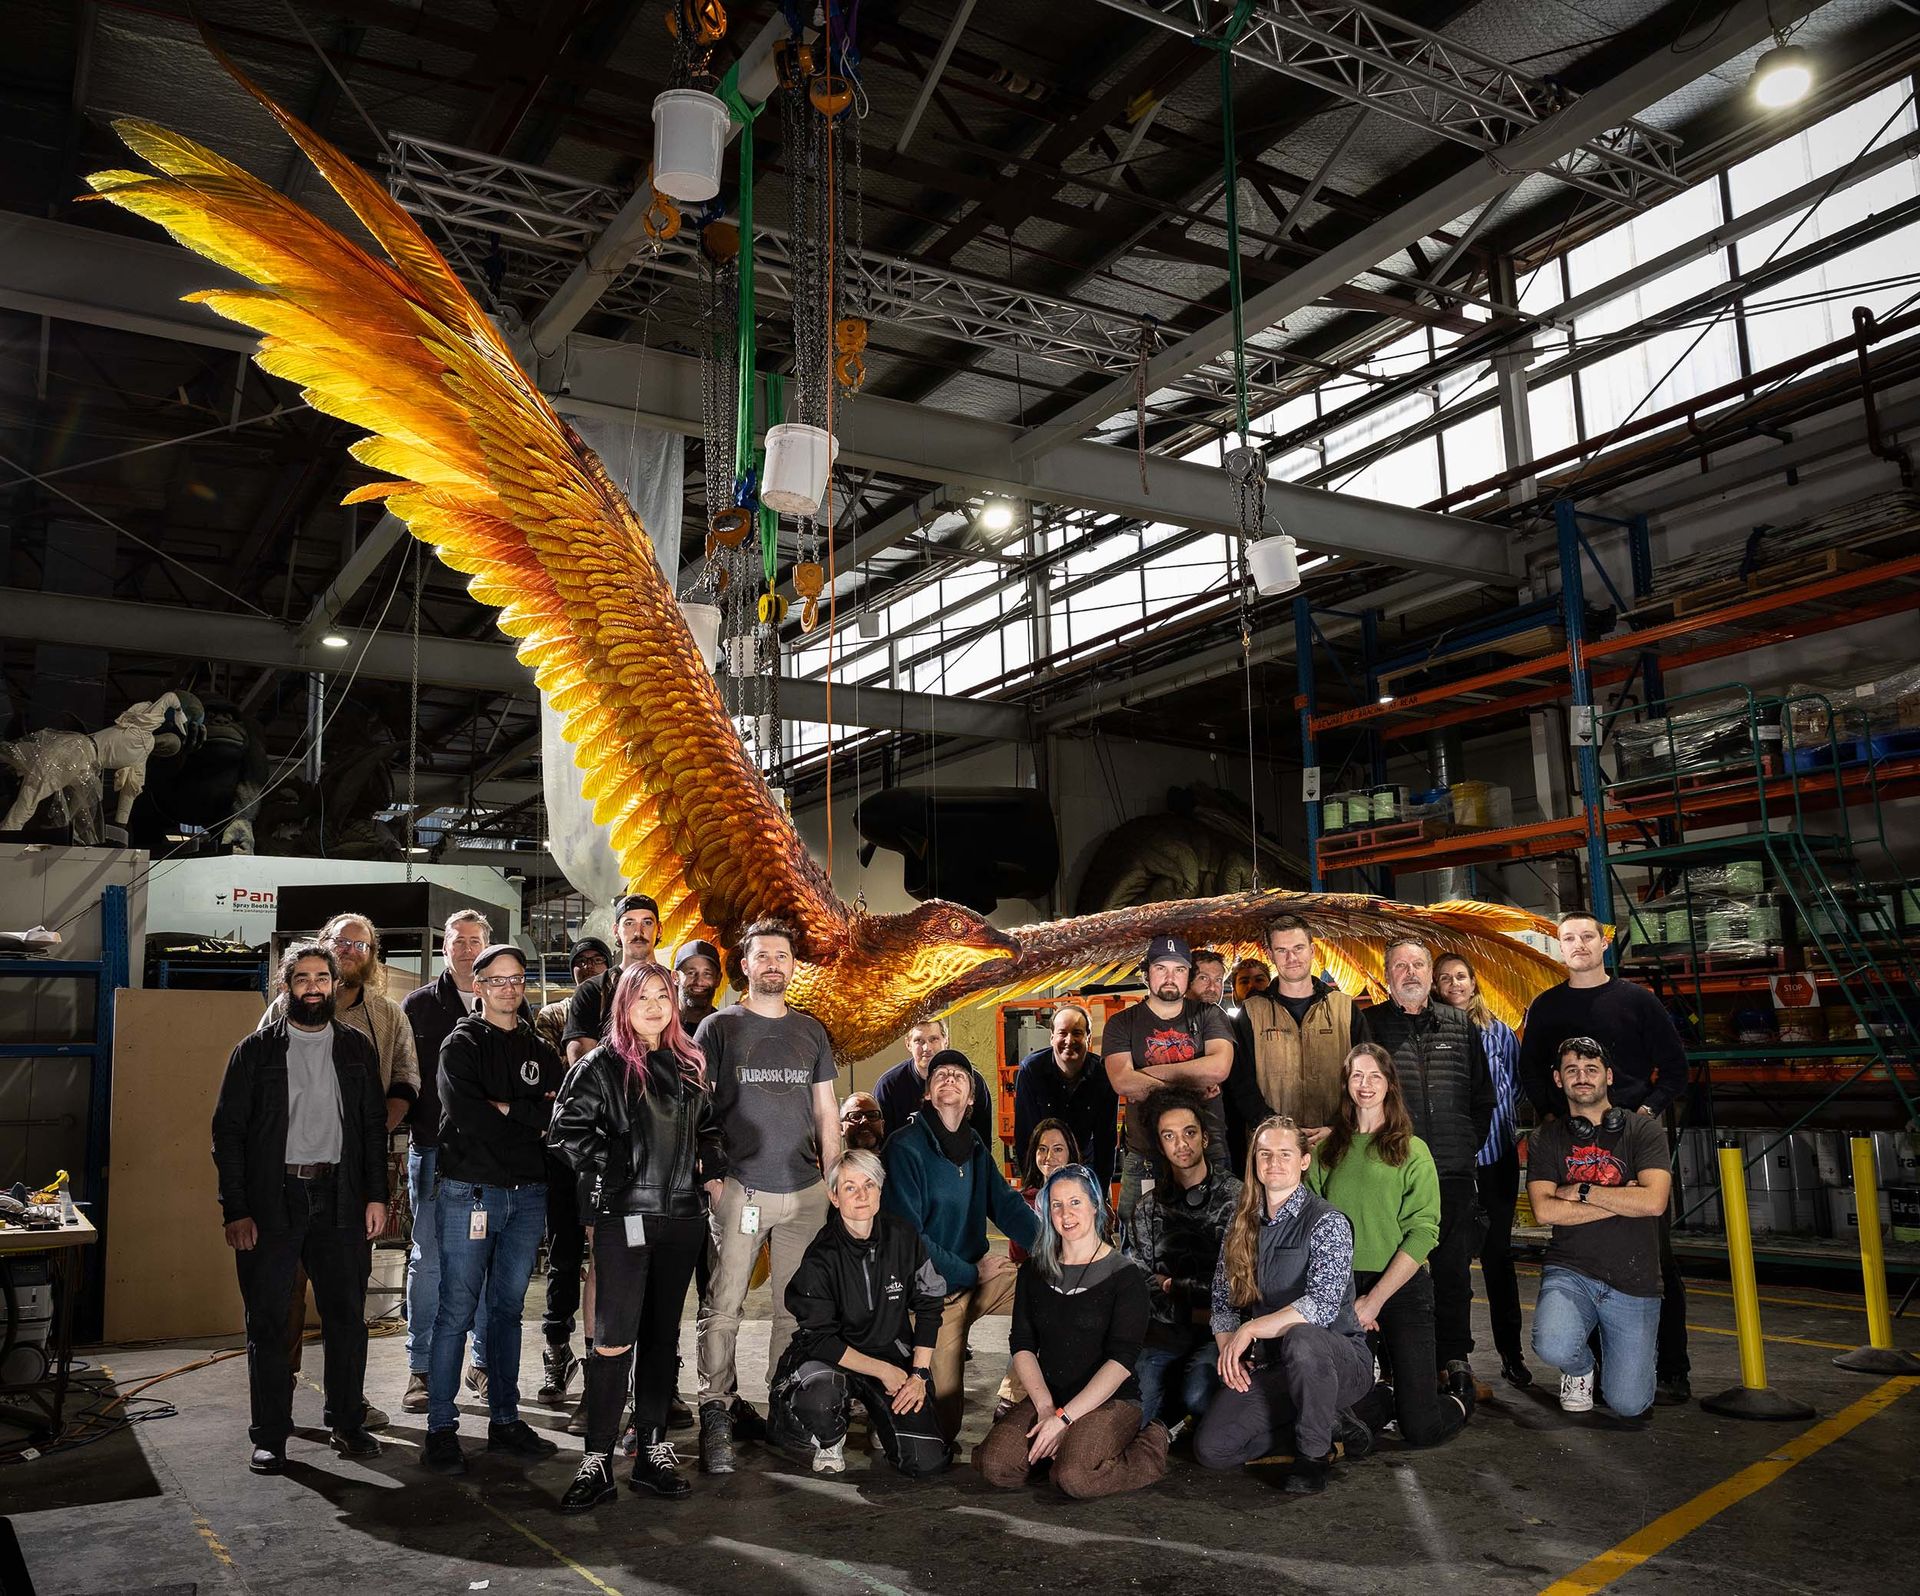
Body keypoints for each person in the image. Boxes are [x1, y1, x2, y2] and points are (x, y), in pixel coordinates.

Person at [548, 960, 725, 1511]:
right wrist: (616, 1168)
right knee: (613, 1336)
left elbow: (711, 1126)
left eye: (663, 996)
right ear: (623, 1005)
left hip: (683, 1219)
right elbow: (566, 1132)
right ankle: (596, 1458)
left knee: (662, 1336)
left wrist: (713, 1164)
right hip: (625, 1217)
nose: (654, 1005)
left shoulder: (690, 1064)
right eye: (642, 996)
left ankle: (652, 1448)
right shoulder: (600, 1066)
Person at [212, 942, 387, 1474]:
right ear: (286, 986)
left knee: (346, 1320)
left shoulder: (356, 1048)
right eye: (303, 978)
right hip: (273, 1200)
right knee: (267, 1321)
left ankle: (347, 1422)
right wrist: (235, 1209)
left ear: (336, 985)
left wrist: (377, 1196)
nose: (314, 987)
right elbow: (228, 1134)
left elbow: (374, 1129)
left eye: (322, 978)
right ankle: (269, 1435)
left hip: (341, 1197)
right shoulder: (256, 1051)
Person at [1517, 910, 1691, 1405]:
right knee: (1583, 1249)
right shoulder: (1547, 1006)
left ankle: (1673, 1368)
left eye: (1587, 936)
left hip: (1629, 1138)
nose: (1578, 945)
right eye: (1568, 938)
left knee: (1655, 1257)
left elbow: (1675, 1071)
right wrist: (1558, 1120)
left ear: (1603, 944)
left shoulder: (1638, 1001)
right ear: (1560, 947)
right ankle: (1586, 1365)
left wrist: (1643, 1112)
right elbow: (1532, 1072)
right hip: (1574, 1137)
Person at [256, 910, 416, 1429]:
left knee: (346, 1299)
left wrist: (368, 1132)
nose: (351, 953)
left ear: (372, 955)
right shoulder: (282, 1011)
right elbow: (254, 1092)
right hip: (288, 1177)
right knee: (282, 1301)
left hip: (353, 1179)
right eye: (341, 945)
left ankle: (346, 1407)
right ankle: (277, 1409)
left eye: (361, 946)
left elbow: (404, 1080)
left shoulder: (386, 1017)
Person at [694, 918, 842, 1474]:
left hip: (805, 1192)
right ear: (746, 964)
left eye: (783, 955)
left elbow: (827, 1111)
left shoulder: (811, 1031)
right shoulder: (719, 1028)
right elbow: (697, 1108)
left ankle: (783, 1405)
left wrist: (832, 1177)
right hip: (741, 1188)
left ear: (792, 966)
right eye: (763, 956)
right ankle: (716, 1408)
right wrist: (711, 1177)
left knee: (792, 1310)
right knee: (725, 1303)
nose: (773, 964)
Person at [422, 944, 565, 1475]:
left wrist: (510, 1110)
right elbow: (466, 1115)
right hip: (470, 1193)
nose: (508, 989)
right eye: (497, 980)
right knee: (456, 1311)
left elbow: (558, 1113)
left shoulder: (540, 1047)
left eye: (517, 979)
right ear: (477, 986)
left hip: (528, 1196)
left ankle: (504, 1419)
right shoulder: (461, 1044)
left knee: (507, 1311)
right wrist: (523, 1116)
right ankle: (441, 1427)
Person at [1194, 1117, 1373, 1495]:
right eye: (1265, 1154)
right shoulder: (1241, 1223)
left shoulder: (1328, 1222)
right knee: (1214, 1449)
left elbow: (1321, 1306)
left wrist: (1251, 1329)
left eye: (1285, 1154)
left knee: (1302, 1339)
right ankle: (1326, 1422)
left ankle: (1313, 1456)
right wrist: (1230, 1353)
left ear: (1304, 1161)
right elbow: (1222, 1301)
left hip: (1336, 1363)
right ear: (1255, 1161)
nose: (1274, 1162)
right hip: (1273, 1364)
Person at [1310, 1044, 1470, 1448]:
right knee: (1349, 1419)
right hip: (1343, 1287)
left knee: (1421, 1429)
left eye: (1374, 1076)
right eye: (1357, 1076)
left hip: (1401, 1286)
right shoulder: (1327, 1151)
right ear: (1346, 1084)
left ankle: (1459, 1399)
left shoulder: (1411, 1150)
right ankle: (1386, 1394)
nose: (1365, 1085)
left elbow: (1423, 1233)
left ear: (1389, 1085)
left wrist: (1375, 1300)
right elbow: (1307, 1219)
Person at [975, 1166, 1168, 1499]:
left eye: (1075, 1202)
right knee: (996, 1465)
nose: (1066, 1214)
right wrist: (1047, 1409)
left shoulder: (1125, 1276)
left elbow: (1122, 1360)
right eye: (1056, 1205)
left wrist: (1065, 1420)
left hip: (1110, 1399)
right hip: (1051, 1395)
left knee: (1074, 1478)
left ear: (1095, 1205)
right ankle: (1061, 1450)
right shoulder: (1034, 1271)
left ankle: (1151, 1442)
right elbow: (1021, 1344)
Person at [1356, 938, 1492, 1400]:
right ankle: (1396, 1364)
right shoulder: (1369, 1024)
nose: (1410, 973)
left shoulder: (1459, 1024)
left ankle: (1455, 1360)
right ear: (1387, 974)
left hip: (1452, 1171)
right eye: (1400, 966)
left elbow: (1482, 1097)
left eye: (1418, 965)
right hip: (1393, 1169)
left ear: (1430, 974)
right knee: (1396, 1269)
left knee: (1453, 1272)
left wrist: (1465, 1144)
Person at [882, 1049, 1041, 1440]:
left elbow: (1006, 1205)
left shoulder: (972, 1146)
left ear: (971, 1097)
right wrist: (972, 1271)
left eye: (959, 1075)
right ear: (927, 1094)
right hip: (933, 1299)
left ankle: (1016, 1397)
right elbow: (909, 1241)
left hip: (975, 1282)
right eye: (940, 1075)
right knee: (943, 1428)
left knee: (1054, 1291)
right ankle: (891, 1415)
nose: (949, 1078)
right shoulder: (904, 1148)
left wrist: (1057, 1252)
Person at [767, 1149, 952, 1478]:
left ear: (881, 1189)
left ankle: (881, 1421)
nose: (862, 1194)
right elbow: (820, 1339)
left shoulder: (904, 1237)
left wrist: (919, 1374)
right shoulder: (820, 1257)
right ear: (834, 1197)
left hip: (890, 1352)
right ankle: (829, 1437)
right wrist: (883, 1371)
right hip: (831, 1359)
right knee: (819, 1399)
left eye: (869, 1184)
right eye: (850, 1187)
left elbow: (929, 1301)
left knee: (927, 1462)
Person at [1526, 1038, 1674, 1421]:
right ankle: (1579, 1368)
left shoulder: (1643, 1131)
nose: (1582, 1078)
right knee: (1553, 1345)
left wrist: (1582, 1192)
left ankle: (1631, 1369)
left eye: (1591, 1069)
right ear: (1558, 1080)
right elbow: (1543, 1211)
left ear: (1608, 1076)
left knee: (1629, 1404)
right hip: (1571, 1270)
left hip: (1635, 1278)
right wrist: (1623, 1201)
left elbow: (1654, 1203)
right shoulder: (1546, 1138)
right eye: (1572, 1070)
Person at [400, 908, 493, 1414]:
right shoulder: (417, 1007)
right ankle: (422, 1369)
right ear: (444, 948)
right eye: (457, 941)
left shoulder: (504, 1000)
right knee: (430, 1258)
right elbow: (403, 1076)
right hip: (433, 1152)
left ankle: (480, 1363)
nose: (465, 948)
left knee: (479, 1258)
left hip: (485, 1160)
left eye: (474, 940)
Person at [1435, 951, 1530, 1389]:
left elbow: (1513, 1085)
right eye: (1445, 978)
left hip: (1496, 1160)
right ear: (1436, 987)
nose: (1454, 983)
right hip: (1451, 1166)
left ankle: (1511, 1354)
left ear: (1474, 983)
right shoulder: (1433, 1031)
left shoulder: (1500, 1034)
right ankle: (1453, 1359)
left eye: (1461, 976)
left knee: (1498, 1258)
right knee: (1448, 1265)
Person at [1101, 936, 1233, 1231]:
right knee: (1138, 1241)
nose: (1170, 977)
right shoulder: (1122, 1023)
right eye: (1161, 968)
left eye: (1179, 969)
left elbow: (1219, 1067)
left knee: (1217, 1239)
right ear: (1147, 973)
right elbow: (1122, 1081)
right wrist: (1191, 1084)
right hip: (1146, 1154)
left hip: (1206, 1150)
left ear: (1188, 975)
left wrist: (1147, 1072)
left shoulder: (1210, 1015)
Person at [1126, 1088, 1239, 1433]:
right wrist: (1190, 1298)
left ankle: (1187, 1405)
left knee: (1200, 1397)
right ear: (1160, 1146)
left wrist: (1174, 1286)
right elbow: (1138, 1275)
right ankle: (1169, 1411)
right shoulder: (1148, 1206)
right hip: (1163, 1334)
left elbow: (1237, 1281)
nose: (1181, 1144)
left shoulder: (1237, 1198)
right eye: (1169, 1136)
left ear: (1204, 1138)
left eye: (1189, 1132)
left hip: (1218, 1334)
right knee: (1134, 1418)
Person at [1224, 915, 1356, 1168]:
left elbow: (1364, 1078)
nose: (1291, 958)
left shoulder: (1345, 1008)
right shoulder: (1250, 1014)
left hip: (1336, 1148)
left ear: (1312, 950)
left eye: (1298, 948)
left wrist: (1338, 1127)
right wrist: (1276, 1131)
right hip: (1272, 1155)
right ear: (1270, 955)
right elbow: (1241, 1084)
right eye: (1281, 950)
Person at [1012, 1002, 1119, 1190]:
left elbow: (1106, 1141)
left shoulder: (1103, 1075)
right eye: (1062, 1033)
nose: (1069, 1040)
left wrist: (1100, 1194)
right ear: (1052, 1037)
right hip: (1044, 1169)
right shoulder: (1031, 1071)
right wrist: (1032, 1188)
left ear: (1088, 1038)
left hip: (1086, 1169)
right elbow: (1025, 1137)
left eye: (1077, 1033)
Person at [564, 894, 661, 1064]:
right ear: (616, 931)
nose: (638, 932)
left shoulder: (674, 987)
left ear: (659, 929)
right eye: (629, 923)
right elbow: (582, 1066)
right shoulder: (592, 991)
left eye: (647, 922)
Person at [874, 1018, 995, 1145]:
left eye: (933, 1039)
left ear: (946, 1040)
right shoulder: (889, 1086)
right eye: (919, 1041)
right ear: (908, 1044)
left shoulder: (973, 1082)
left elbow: (983, 1142)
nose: (927, 1048)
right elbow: (884, 1145)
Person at [1011, 1119, 1079, 1266]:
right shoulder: (1023, 1201)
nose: (1049, 1157)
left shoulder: (1086, 1199)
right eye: (1042, 1149)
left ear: (1070, 1152)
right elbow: (1017, 1257)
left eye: (1058, 1149)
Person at [536, 939, 612, 1055]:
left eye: (597, 960)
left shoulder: (621, 1013)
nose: (589, 966)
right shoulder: (553, 1015)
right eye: (581, 960)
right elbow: (548, 1063)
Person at [673, 939, 724, 1032]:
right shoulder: (659, 1027)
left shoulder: (725, 1030)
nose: (699, 982)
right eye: (691, 973)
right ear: (675, 977)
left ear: (718, 979)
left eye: (707, 974)